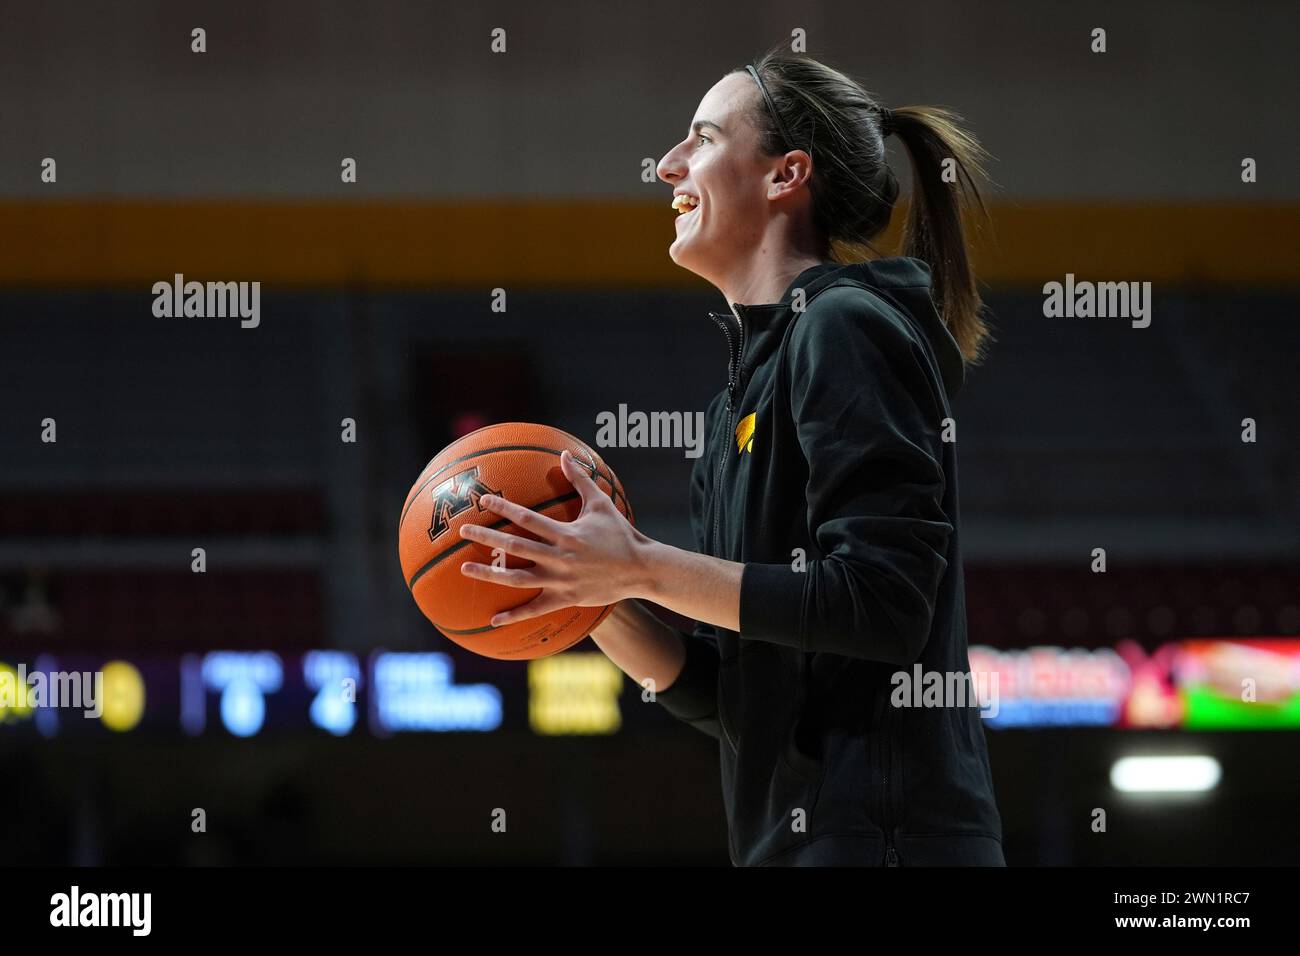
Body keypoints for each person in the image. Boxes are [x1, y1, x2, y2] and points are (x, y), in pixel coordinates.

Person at [458, 49, 1005, 866]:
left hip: (887, 841)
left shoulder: (843, 326)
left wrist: (639, 564)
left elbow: (884, 608)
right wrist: (592, 592)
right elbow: (731, 693)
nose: (668, 166)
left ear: (787, 175)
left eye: (701, 139)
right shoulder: (733, 408)